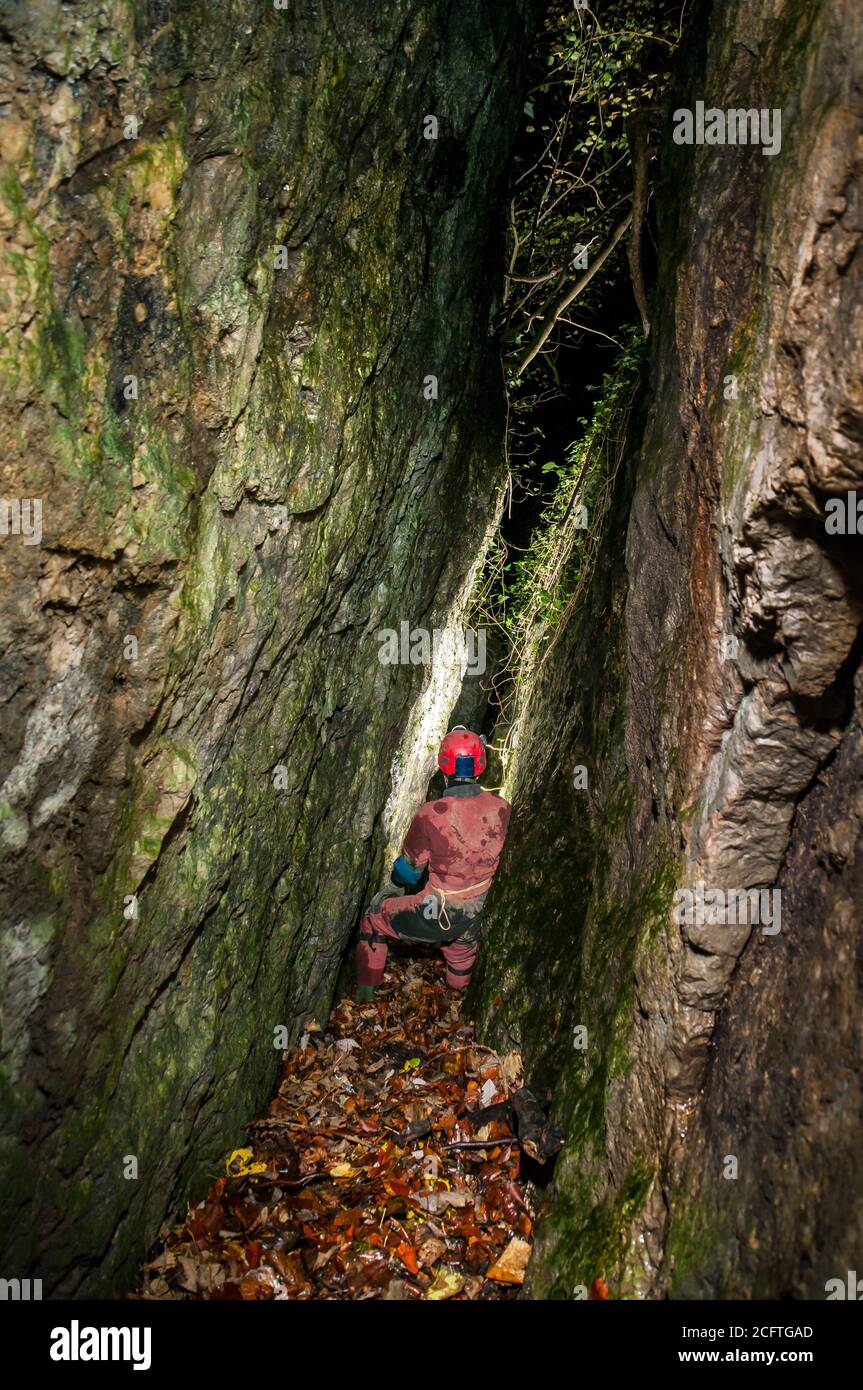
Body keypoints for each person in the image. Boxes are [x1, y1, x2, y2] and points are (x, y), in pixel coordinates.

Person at [355, 726, 511, 1001]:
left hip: (440, 912)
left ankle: (364, 999)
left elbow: (408, 870)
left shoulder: (431, 814)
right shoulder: (501, 808)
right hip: (481, 907)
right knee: (460, 951)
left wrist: (393, 888)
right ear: (481, 764)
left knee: (372, 920)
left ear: (444, 766)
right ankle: (458, 1003)